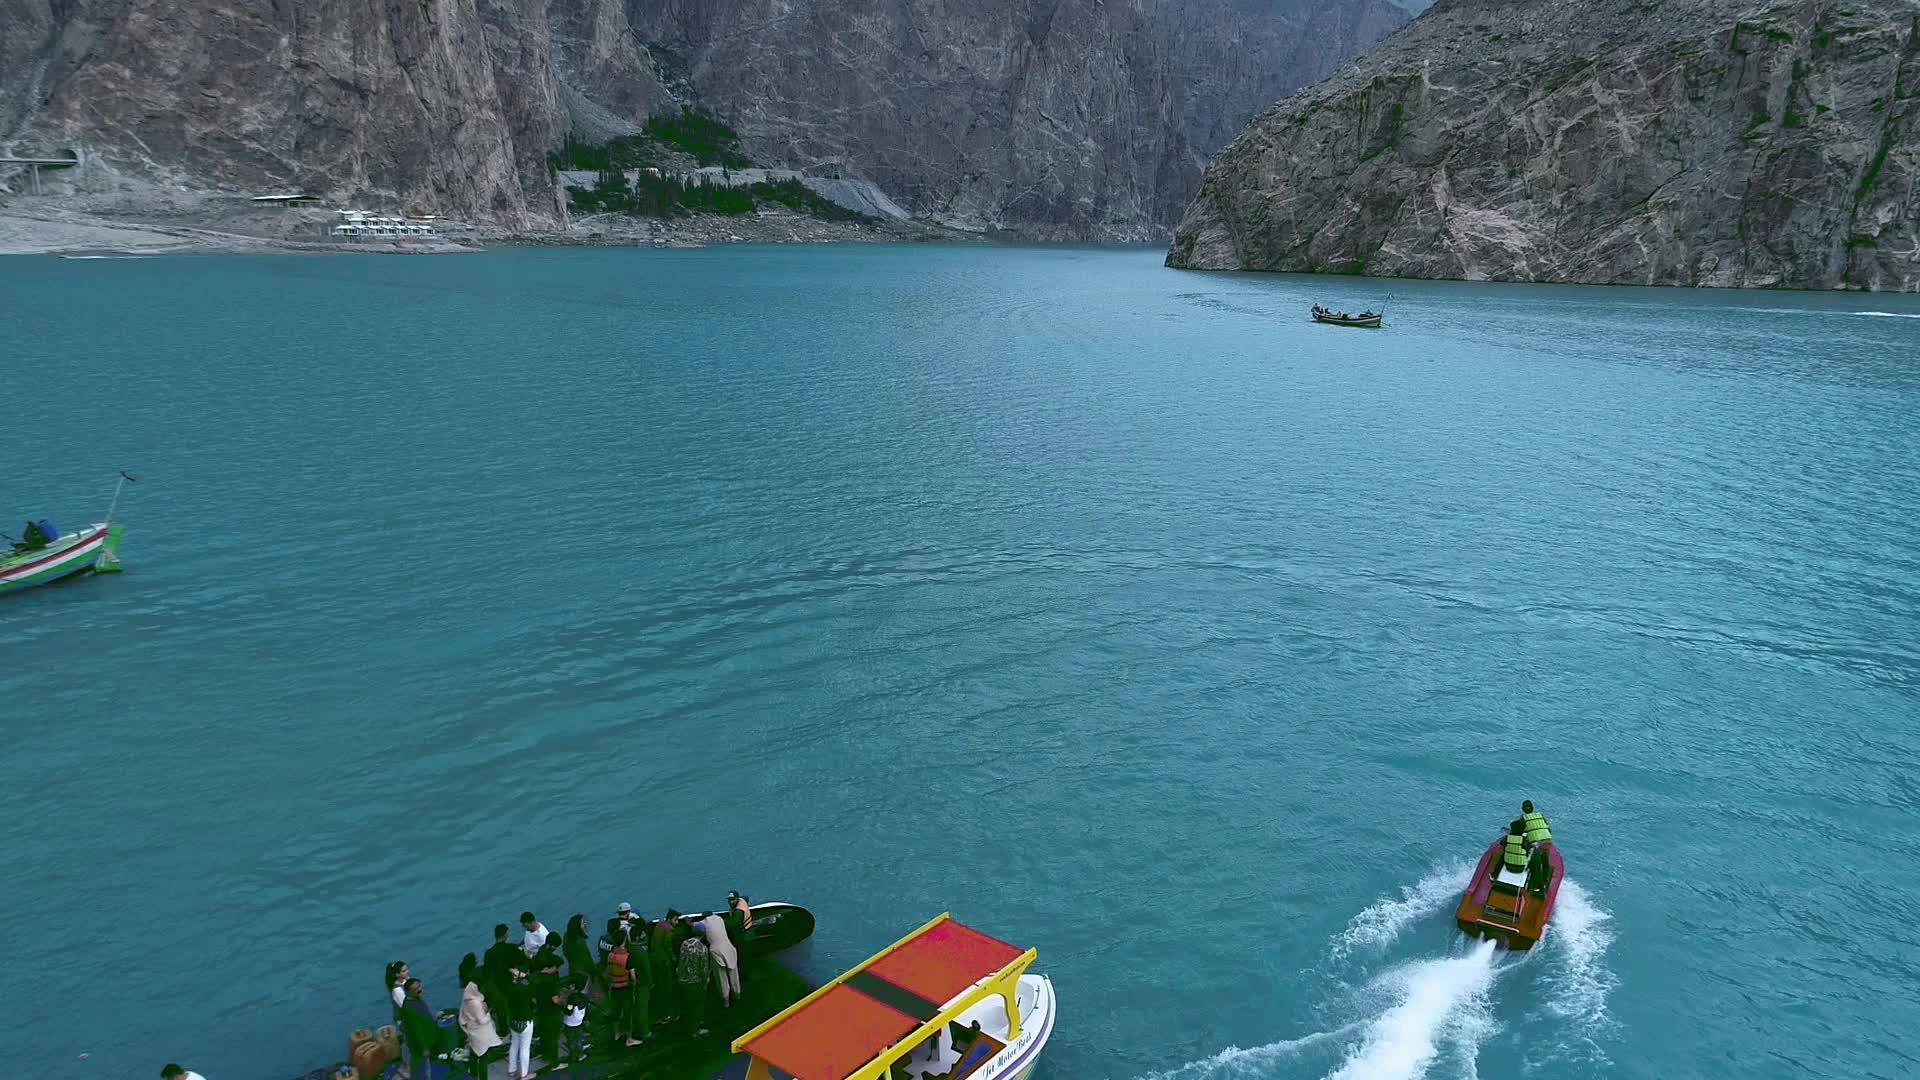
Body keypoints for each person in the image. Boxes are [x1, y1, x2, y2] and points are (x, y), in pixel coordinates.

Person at [458, 954, 505, 1073]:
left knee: (474, 1053)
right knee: (483, 1057)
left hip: (471, 1029)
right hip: (478, 1031)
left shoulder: (467, 998)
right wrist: (489, 1012)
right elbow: (482, 1020)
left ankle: (473, 1073)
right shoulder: (476, 1003)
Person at [604, 928, 645, 1048]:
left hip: (614, 987)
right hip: (625, 988)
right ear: (624, 940)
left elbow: (608, 971)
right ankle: (629, 1038)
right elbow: (632, 976)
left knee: (615, 1011)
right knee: (628, 1013)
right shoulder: (627, 956)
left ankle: (617, 1033)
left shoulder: (610, 955)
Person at [694, 912, 741, 1006]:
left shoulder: (703, 923)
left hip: (716, 950)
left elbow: (695, 927)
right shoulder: (719, 919)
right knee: (734, 974)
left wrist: (689, 922)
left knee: (721, 977)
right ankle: (737, 995)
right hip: (728, 947)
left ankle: (726, 1001)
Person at [396, 977, 439, 1080]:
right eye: (416, 989)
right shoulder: (409, 1010)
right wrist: (424, 1048)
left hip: (426, 1040)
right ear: (408, 992)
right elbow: (416, 1030)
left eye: (420, 986)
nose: (420, 990)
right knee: (421, 1068)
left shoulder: (416, 999)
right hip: (419, 1046)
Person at [676, 929, 714, 1036]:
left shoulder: (684, 943)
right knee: (696, 1006)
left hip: (682, 979)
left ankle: (689, 1025)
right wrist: (705, 982)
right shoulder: (702, 948)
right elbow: (704, 969)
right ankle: (694, 1030)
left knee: (687, 1005)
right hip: (694, 982)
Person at [550, 975, 590, 1071]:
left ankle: (572, 1055)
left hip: (570, 1023)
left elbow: (569, 1010)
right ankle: (580, 1054)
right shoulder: (584, 997)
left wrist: (564, 1007)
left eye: (571, 985)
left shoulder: (572, 998)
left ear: (574, 986)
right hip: (579, 1022)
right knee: (579, 1038)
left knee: (571, 1039)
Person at [505, 965, 537, 1080]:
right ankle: (524, 1074)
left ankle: (511, 1070)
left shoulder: (508, 988)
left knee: (514, 1045)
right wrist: (526, 975)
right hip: (525, 1021)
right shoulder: (525, 989)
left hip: (513, 1020)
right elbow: (535, 982)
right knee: (525, 1048)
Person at [561, 914, 597, 992]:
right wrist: (593, 971)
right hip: (582, 973)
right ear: (577, 926)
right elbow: (587, 958)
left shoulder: (566, 936)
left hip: (573, 970)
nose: (585, 924)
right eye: (582, 923)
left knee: (576, 992)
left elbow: (565, 951)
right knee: (583, 994)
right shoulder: (580, 942)